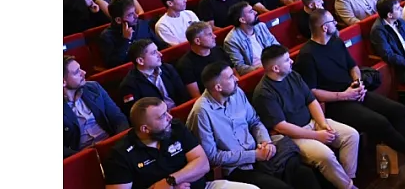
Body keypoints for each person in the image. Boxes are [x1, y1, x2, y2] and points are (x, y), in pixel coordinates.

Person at [294, 10, 405, 183]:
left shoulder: (336, 42)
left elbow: (353, 67)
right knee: (380, 122)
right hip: (334, 103)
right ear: (324, 28)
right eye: (332, 21)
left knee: (398, 110)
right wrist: (344, 95)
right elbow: (312, 92)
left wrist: (357, 82)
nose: (335, 23)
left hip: (355, 92)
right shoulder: (307, 55)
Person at [187, 62, 322, 189]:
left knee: (304, 174)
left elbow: (254, 121)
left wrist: (265, 142)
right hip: (237, 167)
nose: (236, 79)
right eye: (230, 77)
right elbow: (213, 156)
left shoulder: (237, 93)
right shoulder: (201, 112)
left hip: (259, 151)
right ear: (218, 87)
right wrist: (254, 155)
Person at [252, 45, 360, 189]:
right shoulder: (264, 93)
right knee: (325, 155)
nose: (291, 61)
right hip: (293, 136)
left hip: (313, 123)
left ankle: (346, 180)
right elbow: (281, 126)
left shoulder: (293, 75)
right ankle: (348, 187)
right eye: (286, 60)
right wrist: (316, 135)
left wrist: (323, 124)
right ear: (275, 69)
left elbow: (311, 100)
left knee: (351, 135)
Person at [103, 97, 257, 189]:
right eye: (162, 116)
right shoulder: (120, 155)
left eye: (167, 111)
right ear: (145, 128)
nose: (170, 117)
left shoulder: (175, 128)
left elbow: (203, 164)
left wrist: (172, 181)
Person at [63, 55, 129, 157]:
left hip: (112, 145)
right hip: (84, 156)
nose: (83, 72)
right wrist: (85, 157)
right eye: (77, 72)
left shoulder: (94, 88)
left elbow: (118, 118)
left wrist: (120, 143)